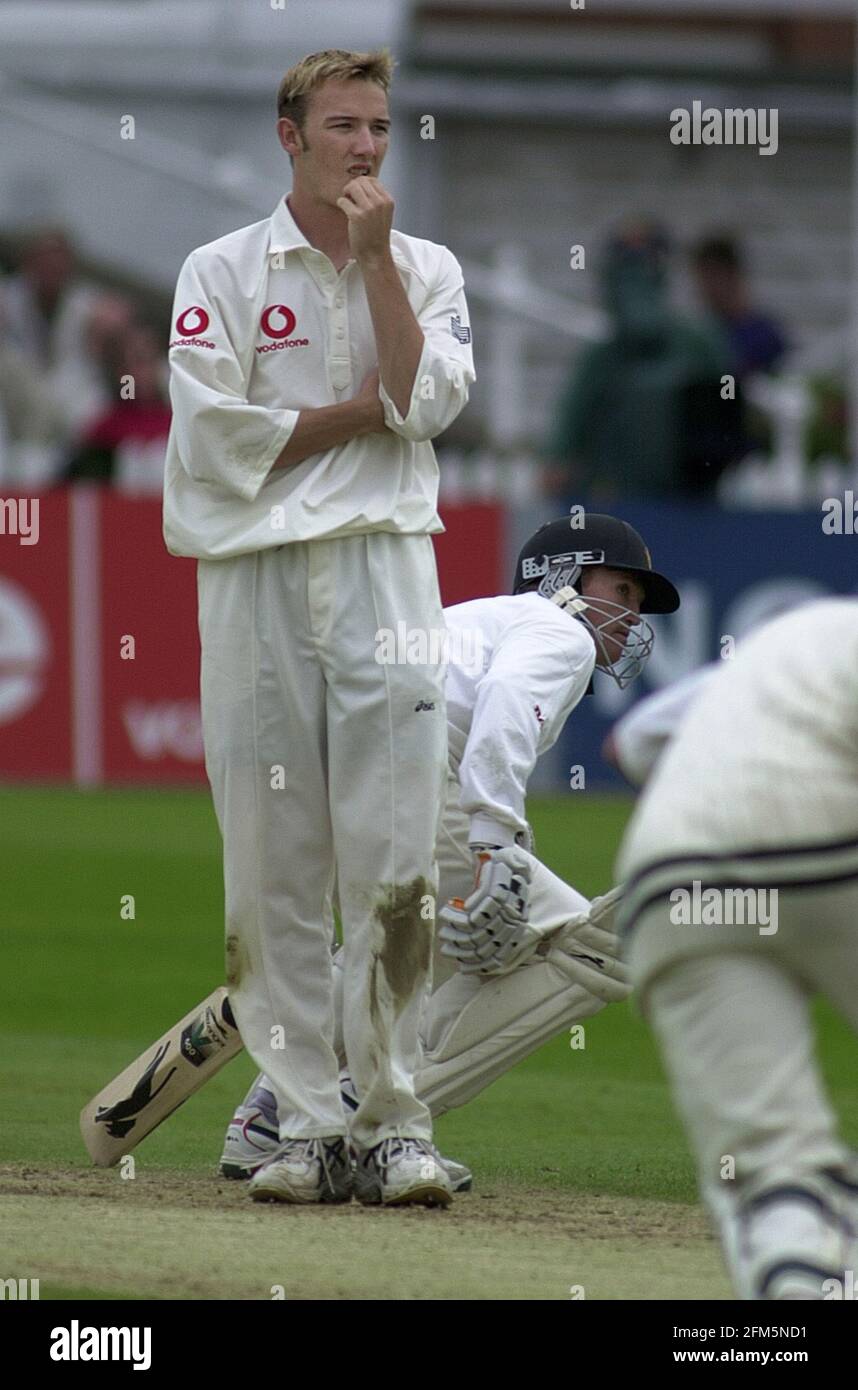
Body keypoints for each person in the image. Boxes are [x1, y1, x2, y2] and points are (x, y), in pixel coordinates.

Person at [162, 48, 476, 1208]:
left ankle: (394, 1120)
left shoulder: (427, 265)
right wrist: (365, 417)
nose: (366, 147)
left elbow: (433, 402)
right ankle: (299, 1121)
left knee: (395, 859)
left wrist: (379, 261)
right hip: (254, 582)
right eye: (343, 126)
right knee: (271, 863)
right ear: (288, 136)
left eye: (382, 129)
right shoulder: (221, 268)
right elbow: (216, 440)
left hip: (389, 570)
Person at [220, 513, 680, 1194]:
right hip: (414, 768)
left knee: (426, 942)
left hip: (332, 766)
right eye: (623, 590)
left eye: (639, 602)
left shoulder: (474, 620)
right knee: (594, 948)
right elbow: (502, 708)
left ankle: (275, 1117)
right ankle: (373, 1125)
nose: (632, 613)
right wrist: (498, 844)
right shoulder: (558, 632)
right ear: (566, 576)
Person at [615, 600, 858, 1300]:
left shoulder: (779, 642)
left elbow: (633, 743)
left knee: (774, 1178)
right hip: (828, 839)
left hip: (674, 876)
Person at [545, 221, 736, 500]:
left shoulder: (700, 345)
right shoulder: (599, 361)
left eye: (643, 262)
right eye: (625, 263)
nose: (634, 277)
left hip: (692, 508)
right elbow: (561, 452)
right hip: (616, 507)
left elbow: (728, 424)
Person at [692, 234, 788, 379]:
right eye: (700, 278)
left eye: (710, 277)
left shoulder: (765, 336)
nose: (703, 287)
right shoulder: (702, 335)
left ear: (733, 275)